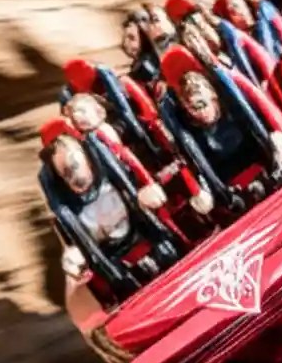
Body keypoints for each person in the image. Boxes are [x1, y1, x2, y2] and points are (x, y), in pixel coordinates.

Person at [37, 121, 181, 298]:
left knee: (168, 252)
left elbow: (132, 184)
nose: (75, 178)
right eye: (66, 174)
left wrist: (144, 195)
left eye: (74, 166)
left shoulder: (107, 173)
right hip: (111, 257)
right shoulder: (68, 208)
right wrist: (74, 254)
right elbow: (70, 237)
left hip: (138, 231)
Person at [157, 46, 282, 213]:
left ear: (213, 97)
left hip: (255, 154)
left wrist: (276, 149)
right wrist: (212, 191)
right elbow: (193, 161)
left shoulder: (229, 95)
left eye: (202, 105)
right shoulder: (184, 125)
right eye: (192, 110)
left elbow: (260, 115)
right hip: (226, 177)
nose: (200, 114)